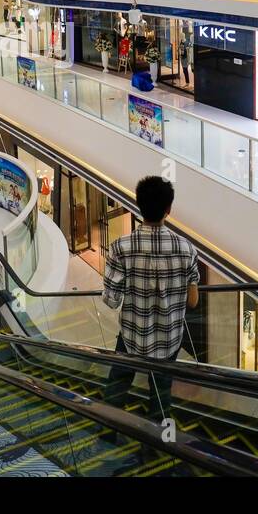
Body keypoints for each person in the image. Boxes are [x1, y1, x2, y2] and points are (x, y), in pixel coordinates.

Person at [102, 176, 199, 430]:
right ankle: (155, 443)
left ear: (138, 207)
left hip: (132, 337)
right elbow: (193, 301)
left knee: (117, 386)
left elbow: (111, 301)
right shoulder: (187, 249)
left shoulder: (120, 248)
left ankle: (107, 434)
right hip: (169, 341)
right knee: (161, 395)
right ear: (169, 209)